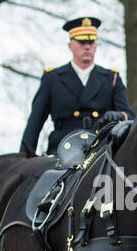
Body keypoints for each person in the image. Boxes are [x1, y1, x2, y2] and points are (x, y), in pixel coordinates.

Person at [20, 16, 131, 156]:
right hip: (61, 148)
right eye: (82, 42)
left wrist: (118, 115)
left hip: (102, 148)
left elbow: (129, 115)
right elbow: (35, 122)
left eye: (91, 42)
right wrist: (23, 158)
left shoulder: (111, 78)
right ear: (70, 46)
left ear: (95, 46)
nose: (87, 47)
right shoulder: (53, 78)